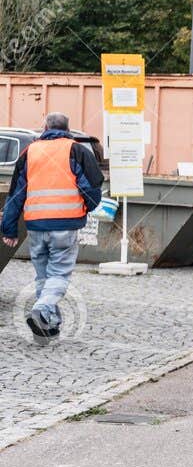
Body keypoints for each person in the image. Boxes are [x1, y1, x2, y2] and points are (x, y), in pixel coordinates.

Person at [1, 113, 104, 340]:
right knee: (58, 274)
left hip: (36, 226)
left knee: (43, 277)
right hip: (66, 224)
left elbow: (16, 194)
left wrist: (8, 228)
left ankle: (49, 327)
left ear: (45, 126)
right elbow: (93, 186)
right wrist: (86, 207)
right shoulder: (77, 151)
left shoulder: (30, 152)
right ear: (68, 128)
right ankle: (42, 309)